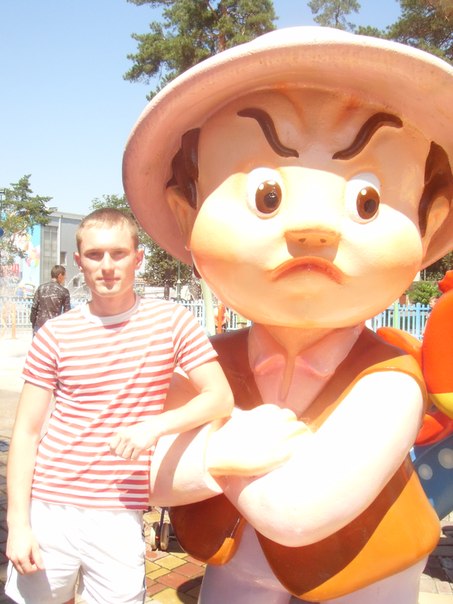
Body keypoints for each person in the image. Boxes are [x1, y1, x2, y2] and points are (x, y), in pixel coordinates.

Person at [122, 26, 453, 604]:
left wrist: (207, 450)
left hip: (365, 574)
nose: (313, 228)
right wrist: (218, 453)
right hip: (235, 570)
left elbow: (297, 511)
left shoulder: (391, 381)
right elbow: (140, 470)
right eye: (267, 197)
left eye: (366, 202)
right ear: (187, 217)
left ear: (428, 227)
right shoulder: (205, 361)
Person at [5, 208, 234, 604]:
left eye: (118, 253)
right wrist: (18, 524)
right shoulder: (56, 335)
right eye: (95, 255)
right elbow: (26, 433)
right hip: (50, 505)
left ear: (137, 257)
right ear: (79, 262)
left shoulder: (172, 321)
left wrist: (153, 427)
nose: (107, 266)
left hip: (121, 507)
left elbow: (219, 397)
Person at [29, 265, 71, 334]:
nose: (65, 278)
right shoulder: (64, 291)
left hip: (39, 325)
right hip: (54, 327)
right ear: (60, 275)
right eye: (64, 276)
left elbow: (34, 308)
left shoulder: (40, 288)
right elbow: (67, 313)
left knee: (38, 342)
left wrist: (34, 324)